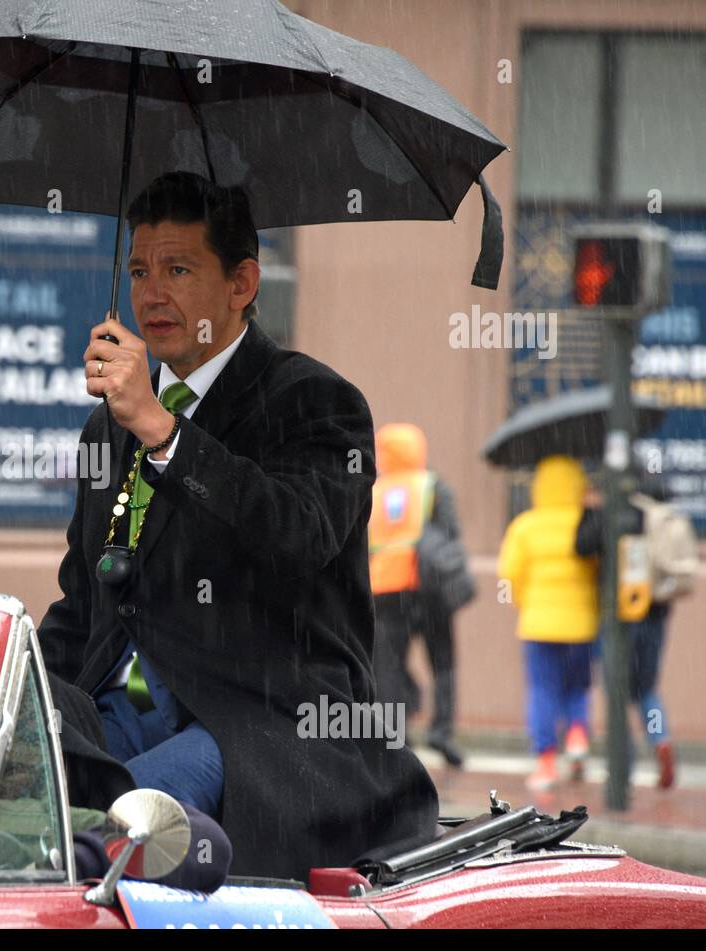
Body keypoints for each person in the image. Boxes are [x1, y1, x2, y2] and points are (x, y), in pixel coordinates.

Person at [37, 171, 438, 881]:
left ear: (242, 283)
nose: (151, 293)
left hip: (260, 721)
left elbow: (298, 534)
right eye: (138, 270)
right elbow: (81, 609)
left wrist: (166, 436)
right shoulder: (108, 428)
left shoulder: (315, 402)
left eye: (178, 269)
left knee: (120, 833)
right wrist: (20, 696)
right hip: (115, 711)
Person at [575, 476, 696, 789]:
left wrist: (589, 511)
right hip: (654, 614)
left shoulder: (615, 512)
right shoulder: (658, 515)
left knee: (616, 691)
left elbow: (582, 547)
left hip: (619, 616)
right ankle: (661, 739)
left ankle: (622, 762)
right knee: (646, 689)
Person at [369, 422, 473, 768]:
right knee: (442, 661)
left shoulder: (374, 490)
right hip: (429, 587)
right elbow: (451, 533)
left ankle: (393, 736)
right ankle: (441, 731)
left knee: (388, 666)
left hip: (384, 589)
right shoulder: (433, 485)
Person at [496, 455, 599, 791]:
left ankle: (546, 763)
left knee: (542, 690)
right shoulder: (586, 523)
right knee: (578, 686)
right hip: (581, 624)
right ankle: (578, 736)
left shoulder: (525, 525)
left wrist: (521, 605)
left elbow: (509, 575)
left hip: (538, 624)